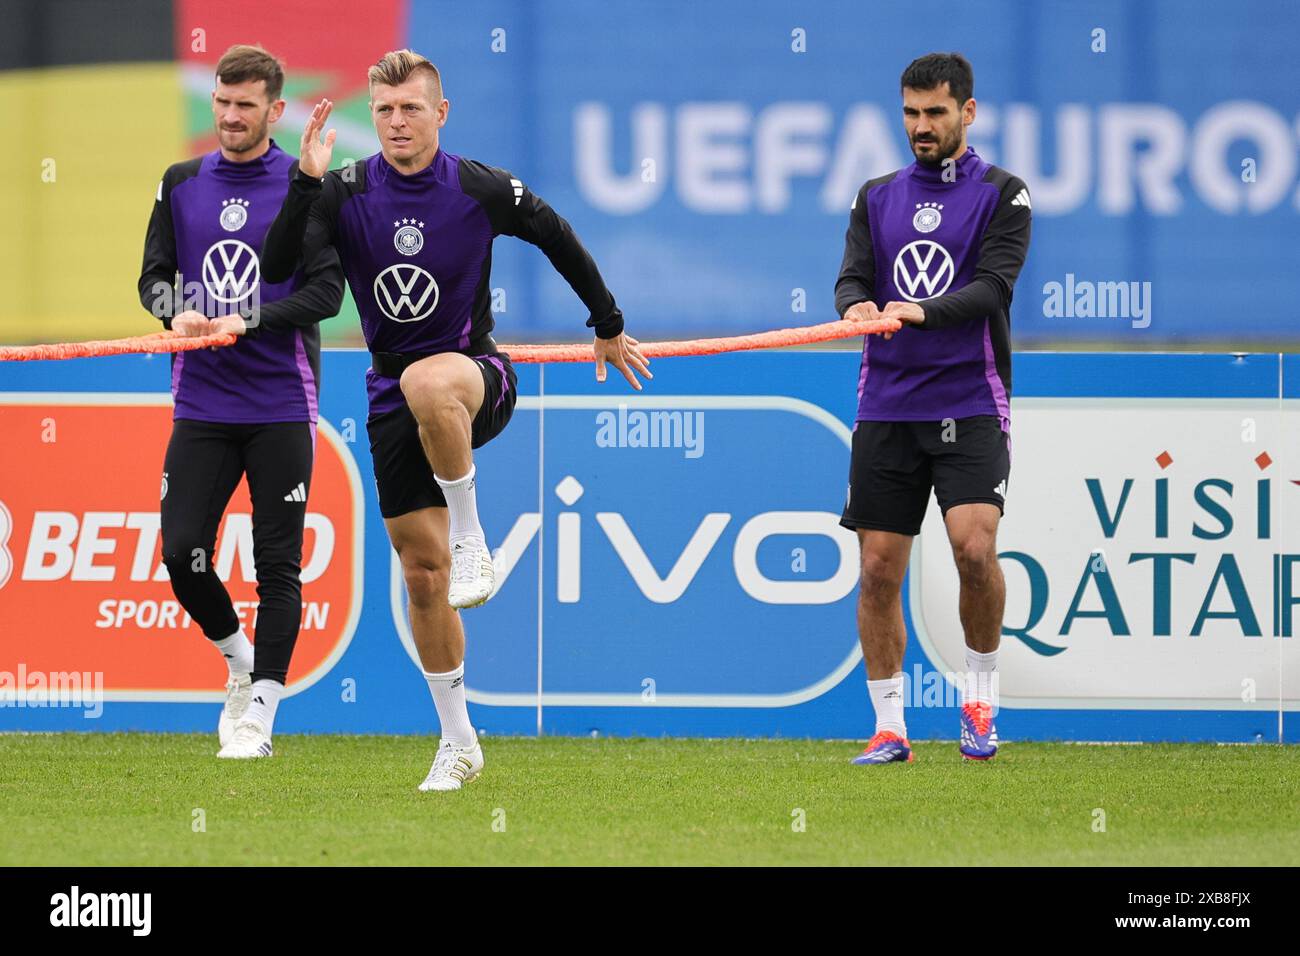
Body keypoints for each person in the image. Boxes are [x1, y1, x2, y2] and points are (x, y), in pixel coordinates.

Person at [260, 49, 648, 791]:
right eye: (384, 110)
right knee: (422, 576)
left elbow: (559, 236)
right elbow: (280, 269)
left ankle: (475, 534)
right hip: (388, 400)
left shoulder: (481, 186)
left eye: (411, 108)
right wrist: (305, 182)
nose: (397, 121)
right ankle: (460, 740)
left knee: (431, 377)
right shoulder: (342, 191)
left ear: (441, 113)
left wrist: (608, 321)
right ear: (370, 116)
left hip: (475, 379)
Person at [138, 44, 345, 759]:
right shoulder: (181, 181)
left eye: (245, 105)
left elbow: (325, 293)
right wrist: (178, 314)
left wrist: (244, 319)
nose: (229, 115)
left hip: (281, 401)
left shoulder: (307, 183)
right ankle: (237, 660)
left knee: (277, 564)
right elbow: (154, 280)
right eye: (221, 103)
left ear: (274, 110)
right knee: (182, 550)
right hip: (201, 400)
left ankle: (260, 712)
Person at [835, 52, 1032, 764]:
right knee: (879, 569)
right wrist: (856, 303)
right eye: (912, 113)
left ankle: (979, 703)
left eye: (936, 113)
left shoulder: (1004, 195)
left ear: (968, 112)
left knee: (975, 550)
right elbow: (852, 278)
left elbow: (992, 290)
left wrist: (920, 311)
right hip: (887, 404)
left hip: (969, 398)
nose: (922, 126)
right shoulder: (874, 196)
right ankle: (890, 728)